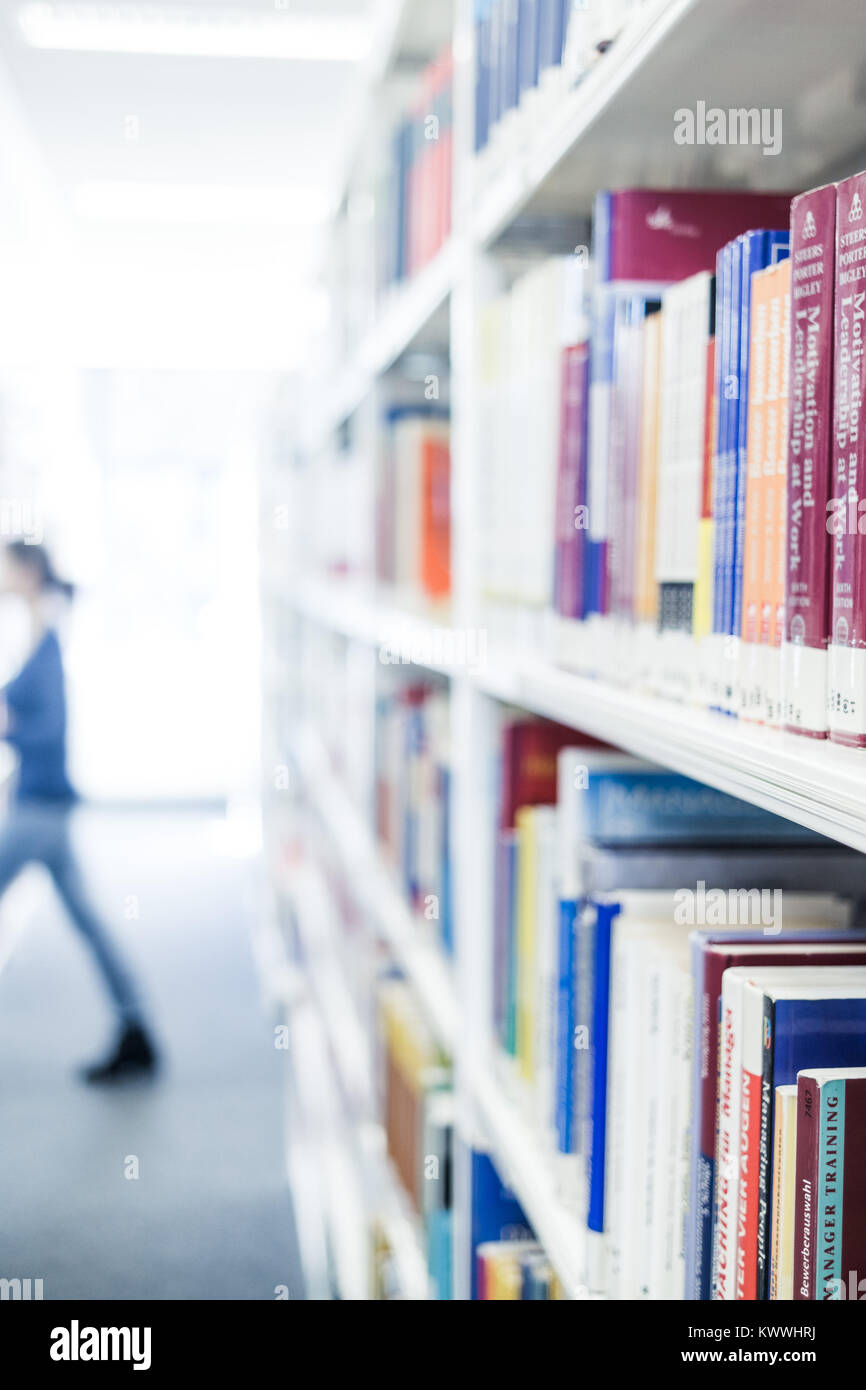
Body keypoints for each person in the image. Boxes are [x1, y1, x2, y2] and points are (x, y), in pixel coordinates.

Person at [0, 540, 157, 1082]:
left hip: (39, 806)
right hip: (45, 805)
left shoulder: (46, 633)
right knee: (91, 922)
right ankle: (136, 1026)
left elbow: (47, 727)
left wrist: (9, 726)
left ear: (27, 571)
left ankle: (136, 1028)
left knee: (89, 921)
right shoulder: (37, 629)